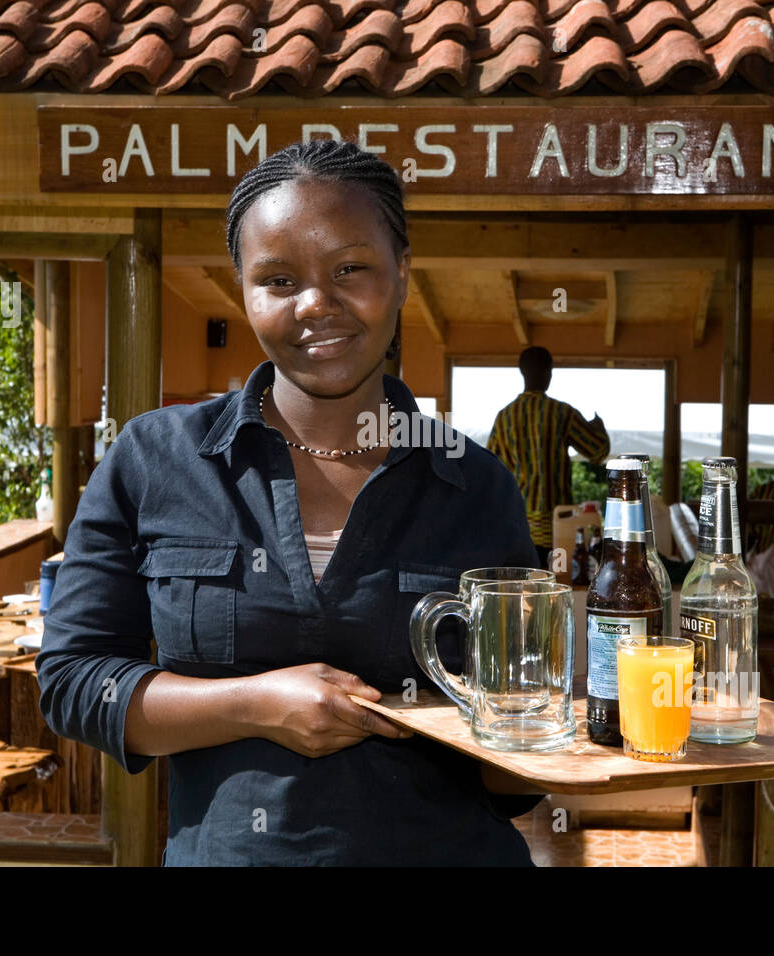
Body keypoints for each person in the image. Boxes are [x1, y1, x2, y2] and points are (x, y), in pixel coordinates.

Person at [37, 140, 541, 866]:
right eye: (278, 279)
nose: (315, 304)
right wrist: (256, 704)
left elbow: (513, 777)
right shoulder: (154, 460)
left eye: (349, 269)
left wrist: (554, 715)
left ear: (401, 274)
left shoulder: (476, 484)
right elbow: (73, 682)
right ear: (242, 291)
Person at [486, 347, 610, 568]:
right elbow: (598, 451)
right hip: (559, 527)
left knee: (527, 593)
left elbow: (492, 473)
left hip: (520, 527)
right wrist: (599, 427)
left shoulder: (504, 418)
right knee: (559, 586)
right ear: (549, 373)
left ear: (522, 373)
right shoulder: (562, 413)